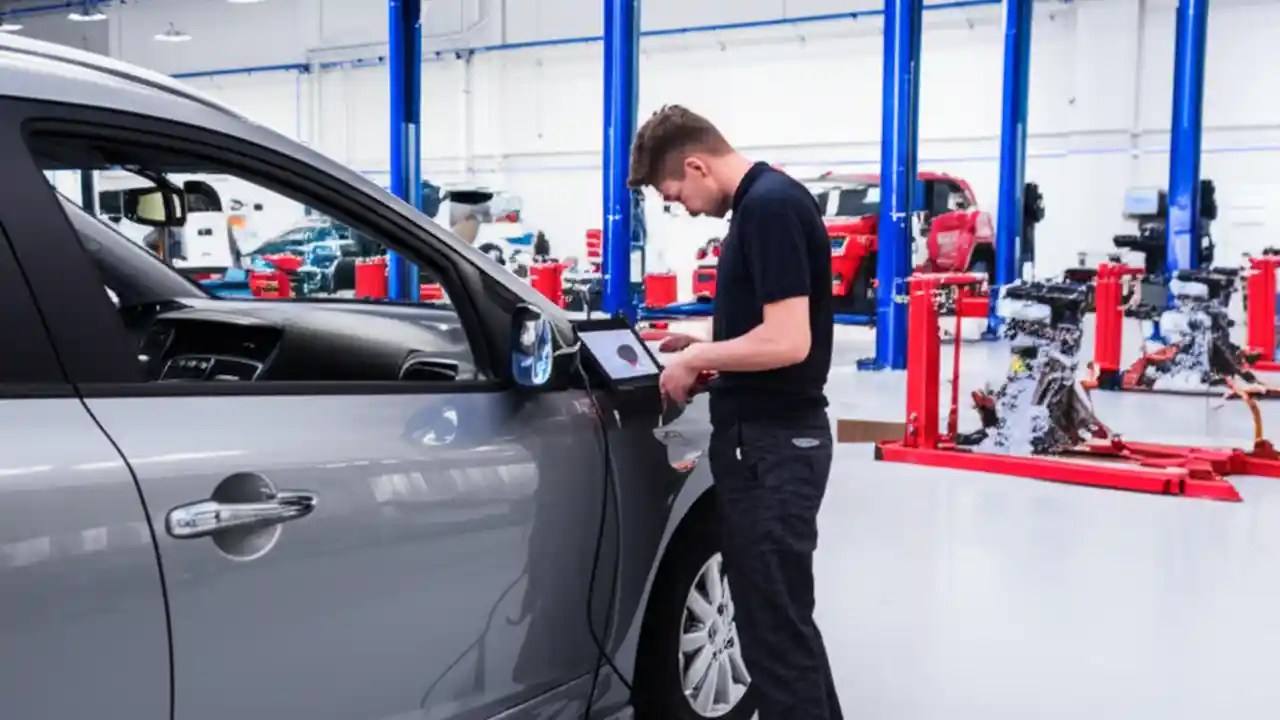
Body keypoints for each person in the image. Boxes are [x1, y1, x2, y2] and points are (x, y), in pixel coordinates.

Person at [627, 105, 841, 720]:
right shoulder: (770, 202)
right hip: (775, 442)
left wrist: (697, 363)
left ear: (696, 165)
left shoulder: (768, 209)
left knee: (773, 639)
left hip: (772, 448)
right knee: (783, 626)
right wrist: (704, 341)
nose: (685, 208)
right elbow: (772, 330)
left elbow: (789, 341)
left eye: (676, 195)